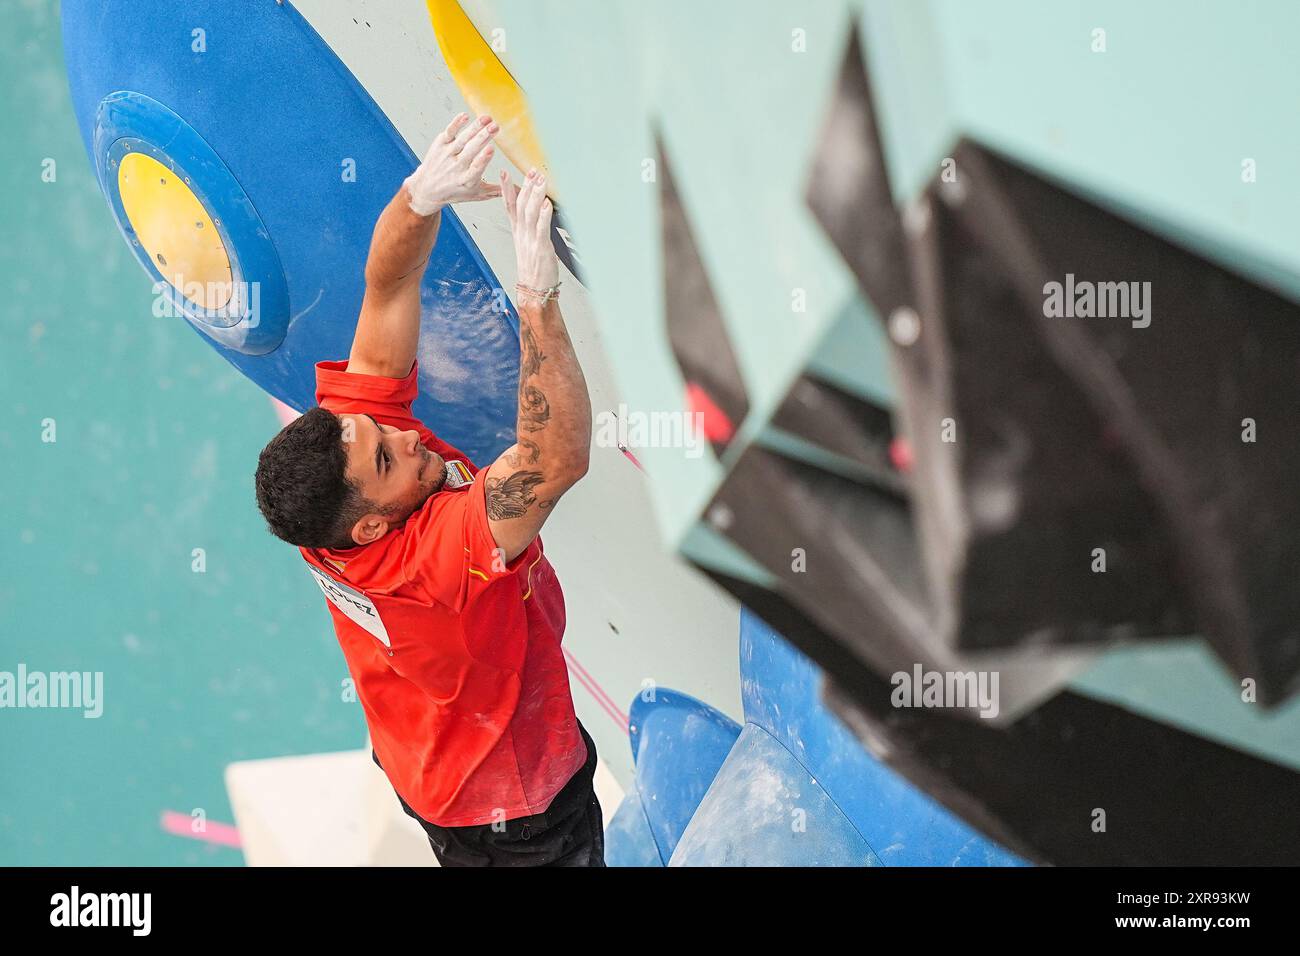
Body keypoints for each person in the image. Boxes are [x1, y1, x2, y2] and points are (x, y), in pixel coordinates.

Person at [253, 112, 602, 866]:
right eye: (388, 461)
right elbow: (554, 459)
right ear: (374, 530)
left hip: (418, 754)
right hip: (517, 805)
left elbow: (387, 290)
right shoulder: (435, 563)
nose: (407, 436)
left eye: (377, 433)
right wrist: (537, 297)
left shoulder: (338, 491)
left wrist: (417, 198)